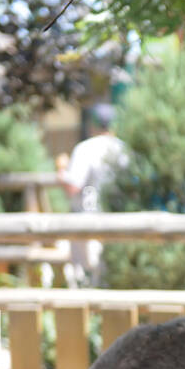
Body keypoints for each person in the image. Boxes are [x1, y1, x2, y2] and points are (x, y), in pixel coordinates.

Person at [61, 103, 128, 287]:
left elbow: (73, 186)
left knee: (85, 280)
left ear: (93, 125)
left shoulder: (85, 148)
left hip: (87, 219)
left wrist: (61, 175)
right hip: (119, 221)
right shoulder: (123, 149)